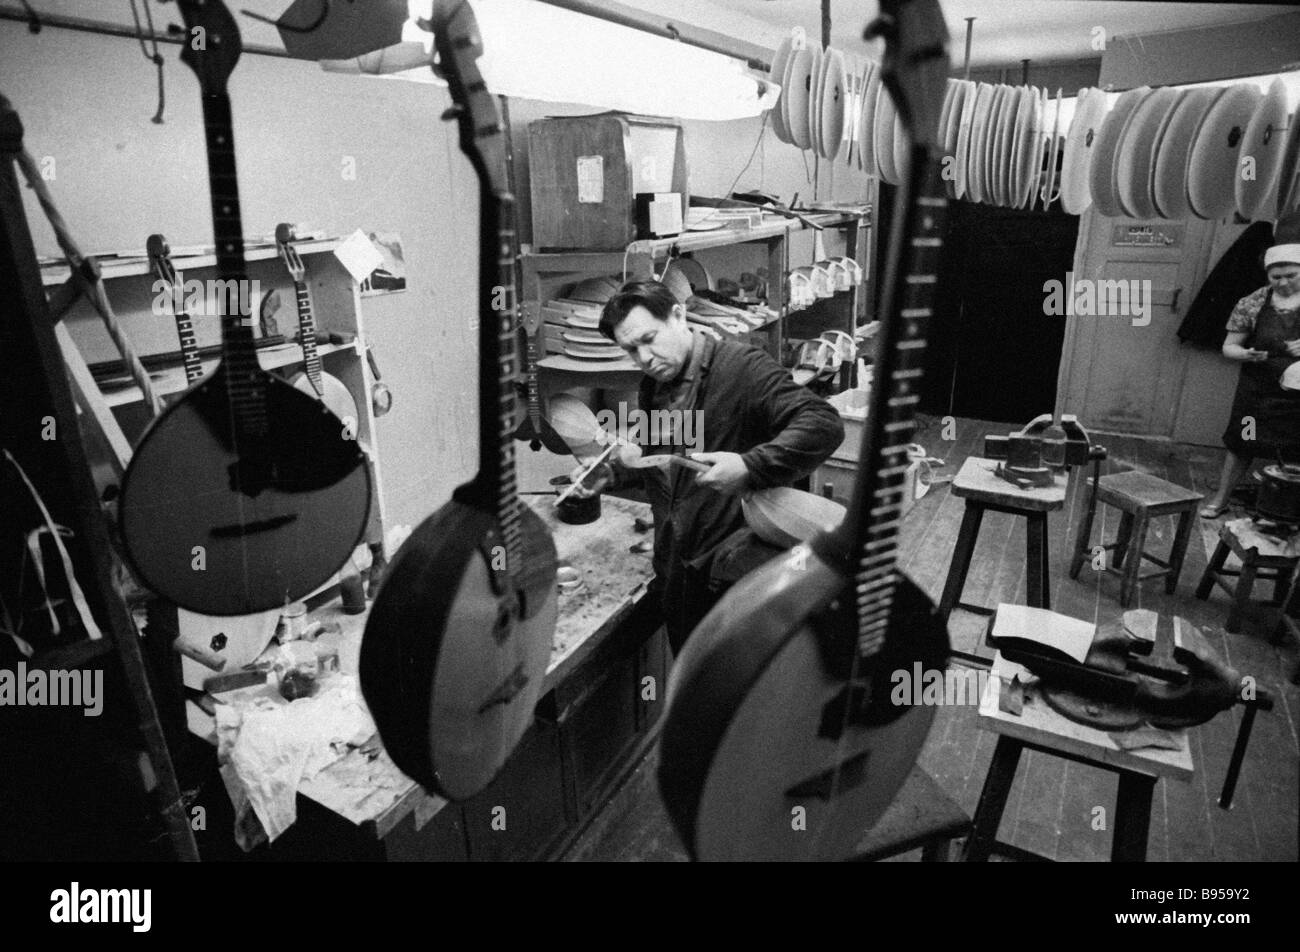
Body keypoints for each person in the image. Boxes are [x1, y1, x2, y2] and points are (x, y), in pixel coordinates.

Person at [569, 280, 844, 654]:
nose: (645, 358)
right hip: (680, 573)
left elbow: (823, 423)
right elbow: (666, 459)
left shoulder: (741, 367)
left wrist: (750, 466)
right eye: (631, 350)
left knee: (738, 696)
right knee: (691, 688)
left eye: (650, 339)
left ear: (679, 315)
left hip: (734, 577)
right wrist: (614, 472)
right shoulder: (655, 385)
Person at [1200, 242, 1300, 518]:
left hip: (1298, 397)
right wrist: (1244, 353)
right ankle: (1221, 500)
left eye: (1291, 275)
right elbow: (1228, 346)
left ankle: (1293, 510)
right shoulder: (1254, 302)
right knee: (1242, 443)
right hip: (1257, 393)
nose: (1283, 282)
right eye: (1276, 276)